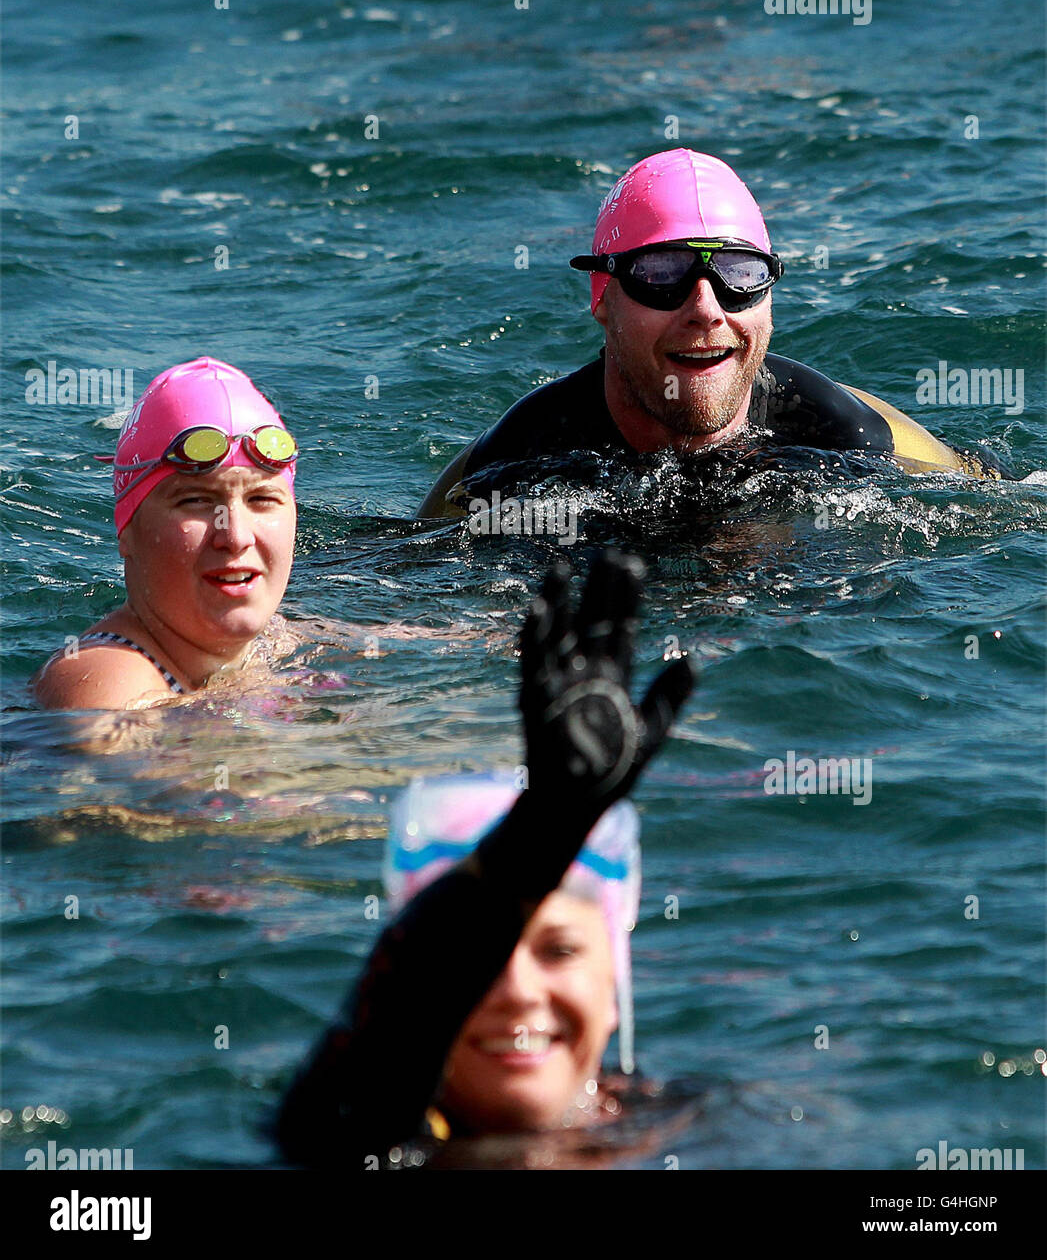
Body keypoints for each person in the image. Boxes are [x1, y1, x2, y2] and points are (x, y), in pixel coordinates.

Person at [275, 551, 695, 1166]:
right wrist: (548, 828)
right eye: (487, 955)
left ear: (615, 985)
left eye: (560, 950)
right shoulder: (342, 1135)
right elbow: (395, 1028)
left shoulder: (704, 1129)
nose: (517, 992)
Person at [418, 148, 1002, 519]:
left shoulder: (846, 435)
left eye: (738, 275)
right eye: (662, 274)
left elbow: (1004, 510)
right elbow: (388, 587)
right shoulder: (518, 461)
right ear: (603, 295)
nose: (706, 309)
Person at [33, 357, 298, 710]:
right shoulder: (104, 683)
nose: (235, 536)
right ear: (127, 529)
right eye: (196, 501)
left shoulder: (277, 640)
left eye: (262, 498)